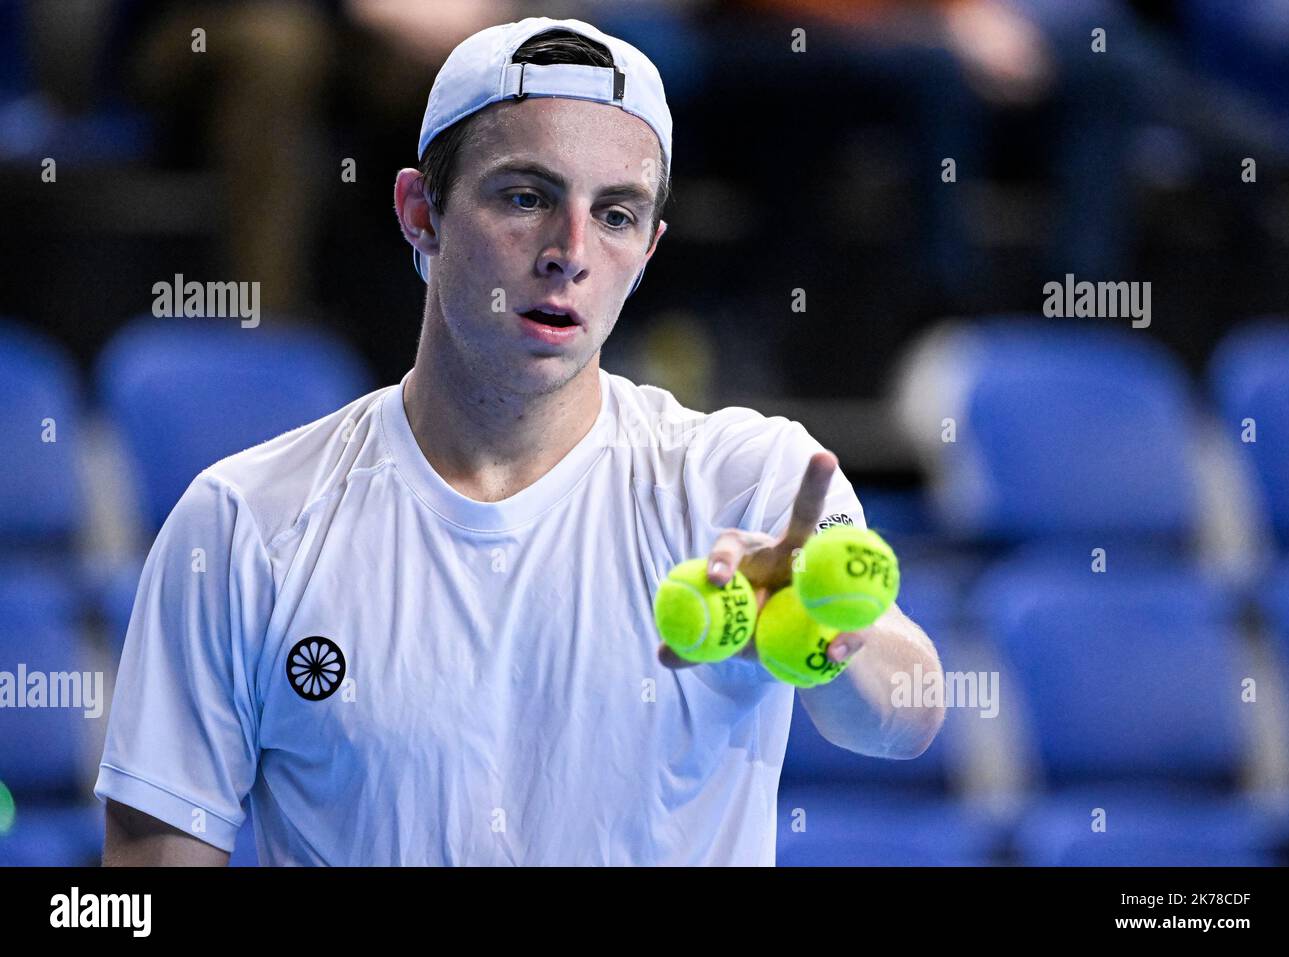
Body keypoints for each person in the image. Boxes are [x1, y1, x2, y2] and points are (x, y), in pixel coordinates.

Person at [95, 16, 944, 866]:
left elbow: (909, 713)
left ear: (648, 251)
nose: (569, 253)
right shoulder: (242, 521)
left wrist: (831, 628)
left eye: (615, 214)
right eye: (526, 196)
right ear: (419, 212)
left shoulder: (752, 477)